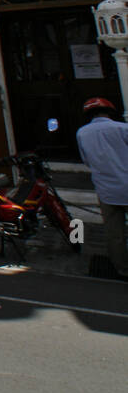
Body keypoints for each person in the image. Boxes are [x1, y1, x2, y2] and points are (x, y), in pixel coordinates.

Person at [75, 97, 128, 281]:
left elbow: (86, 160)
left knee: (115, 234)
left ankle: (122, 269)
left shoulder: (82, 133)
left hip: (107, 189)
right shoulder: (122, 129)